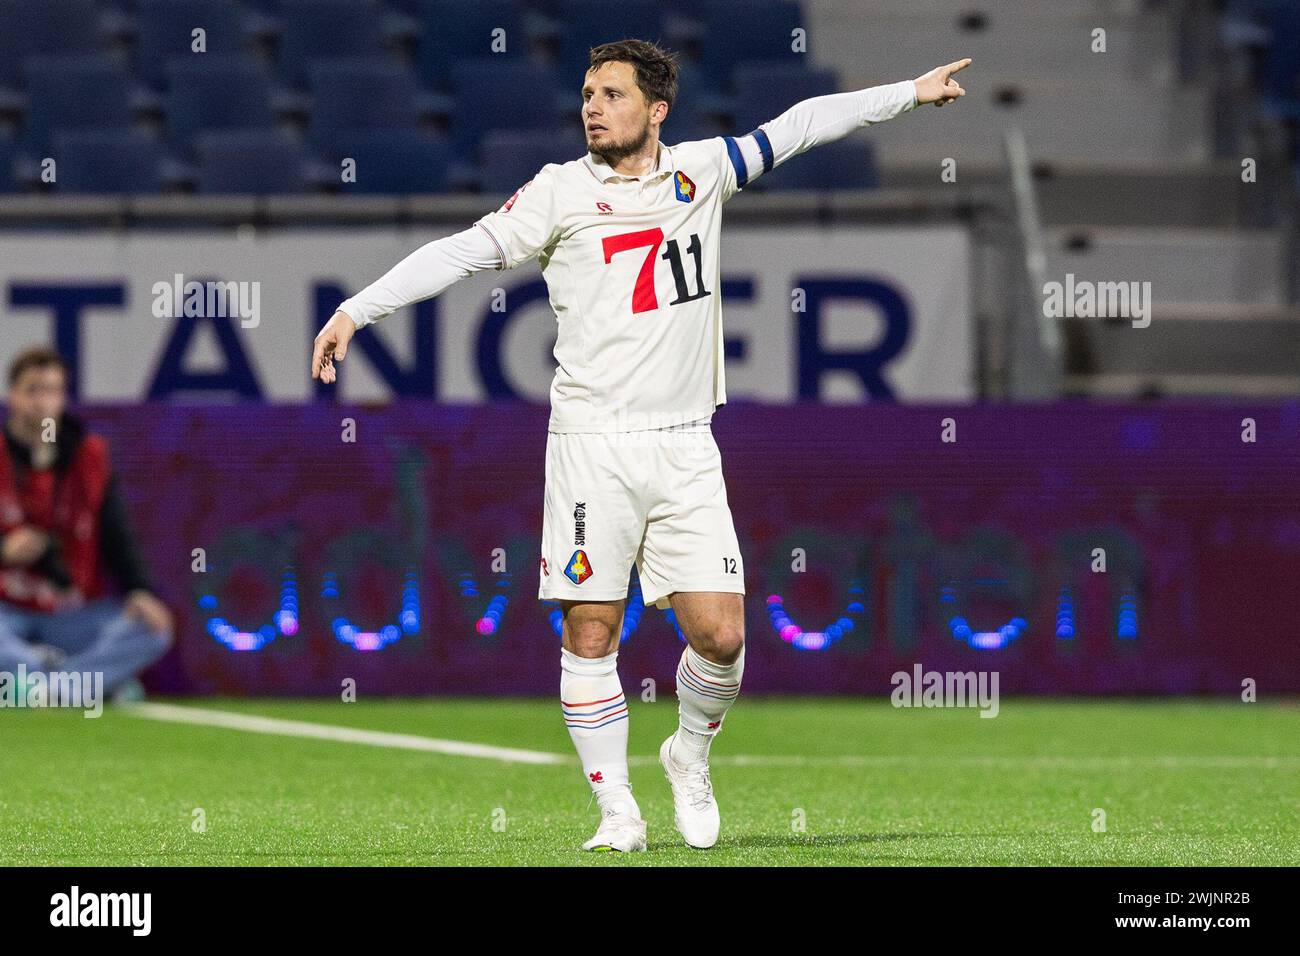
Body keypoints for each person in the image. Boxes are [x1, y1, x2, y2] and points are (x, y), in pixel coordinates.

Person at [311, 39, 971, 851]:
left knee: (723, 637)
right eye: (587, 93)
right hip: (591, 444)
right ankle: (617, 810)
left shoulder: (702, 171)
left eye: (612, 94)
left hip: (686, 443)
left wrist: (908, 90)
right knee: (591, 629)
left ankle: (687, 754)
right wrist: (357, 311)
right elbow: (463, 252)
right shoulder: (557, 193)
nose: (592, 106)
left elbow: (800, 125)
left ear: (655, 110)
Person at [0, 347, 173, 704]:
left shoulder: (89, 457)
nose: (42, 401)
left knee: (152, 630)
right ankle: (89, 683)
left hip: (72, 612)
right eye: (33, 389)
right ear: (12, 395)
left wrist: (139, 589)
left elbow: (116, 536)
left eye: (52, 390)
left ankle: (43, 685)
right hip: (8, 612)